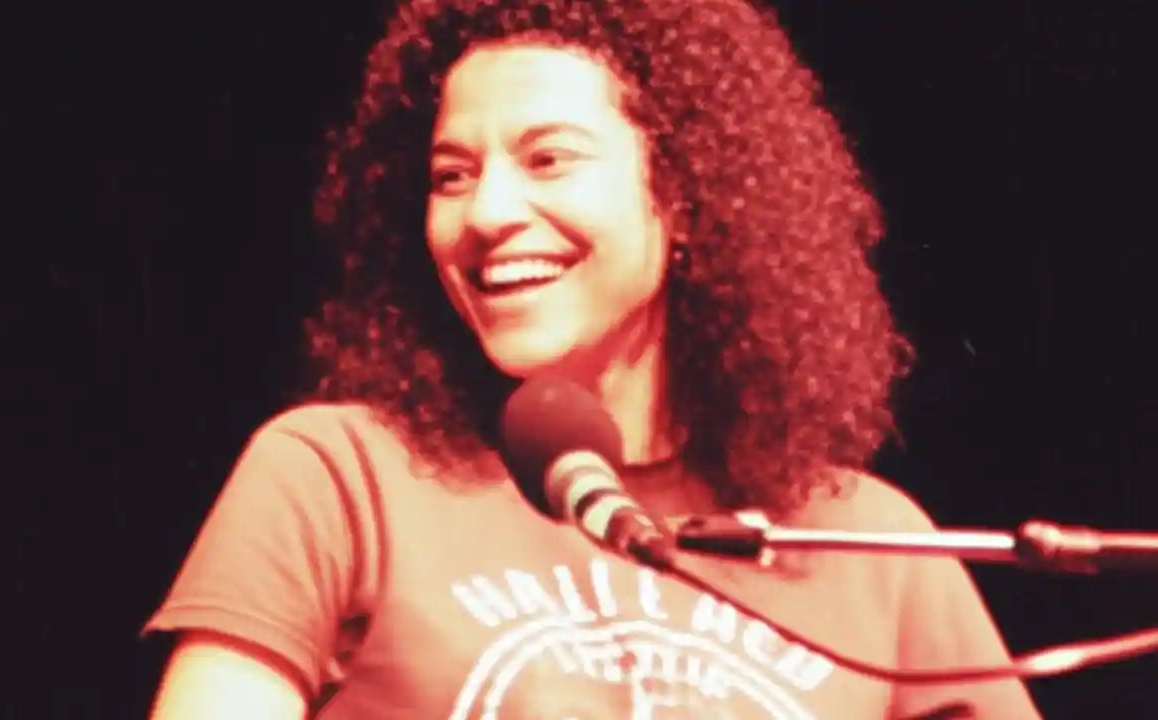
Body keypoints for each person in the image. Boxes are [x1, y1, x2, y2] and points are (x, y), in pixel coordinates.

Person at [144, 0, 1042, 717]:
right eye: (452, 175)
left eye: (549, 159)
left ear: (683, 196)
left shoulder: (875, 544)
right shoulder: (339, 477)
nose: (488, 211)